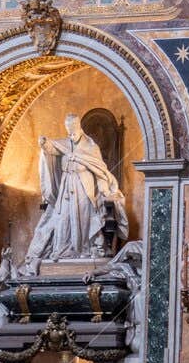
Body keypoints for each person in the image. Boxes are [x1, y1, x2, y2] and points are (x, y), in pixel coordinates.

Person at [22, 114, 129, 273]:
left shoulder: (91, 147)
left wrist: (105, 191)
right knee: (62, 218)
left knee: (83, 217)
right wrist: (44, 144)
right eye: (68, 130)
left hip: (84, 187)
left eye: (73, 130)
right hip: (66, 186)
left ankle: (84, 250)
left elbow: (100, 171)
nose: (71, 134)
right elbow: (53, 148)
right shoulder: (65, 143)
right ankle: (62, 250)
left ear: (79, 127)